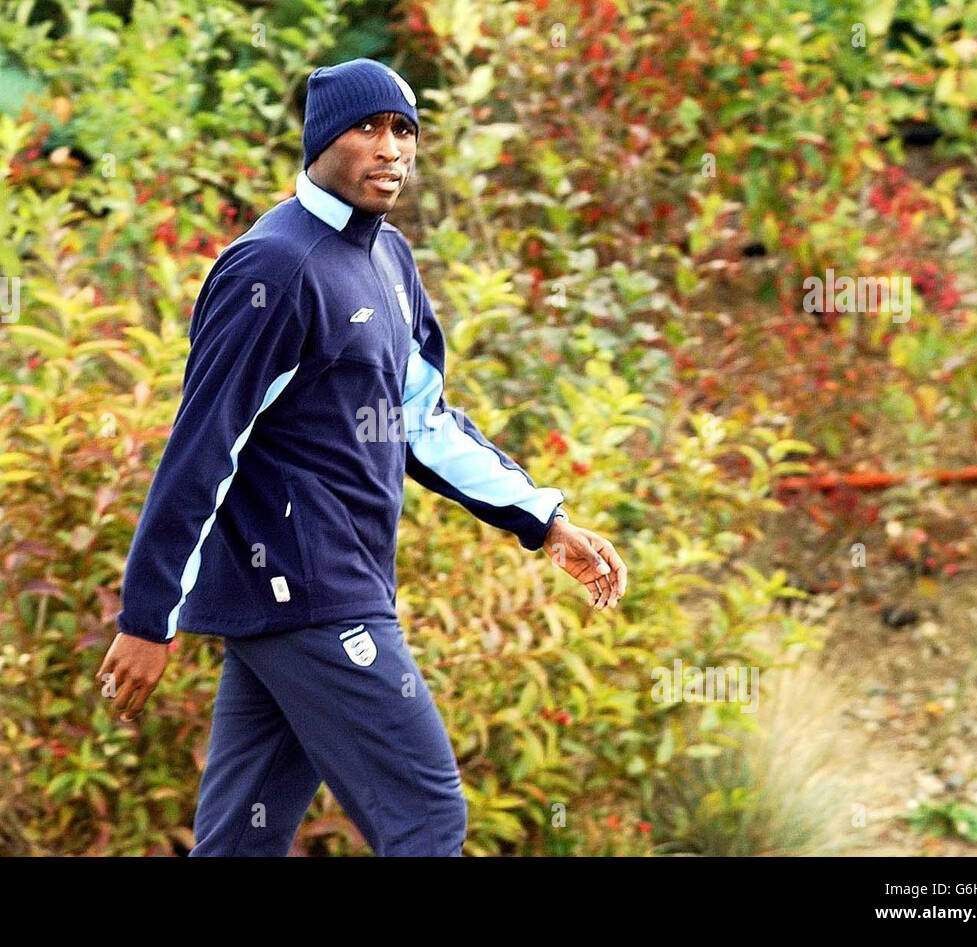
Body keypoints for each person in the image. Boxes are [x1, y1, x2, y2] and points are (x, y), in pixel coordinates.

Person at [95, 58, 628, 856]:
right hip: (314, 588)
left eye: (404, 131)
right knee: (426, 813)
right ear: (321, 141)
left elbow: (423, 424)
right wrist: (148, 616)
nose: (391, 149)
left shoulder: (389, 260)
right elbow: (204, 445)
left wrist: (544, 519)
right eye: (368, 128)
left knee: (241, 838)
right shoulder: (274, 266)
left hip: (307, 600)